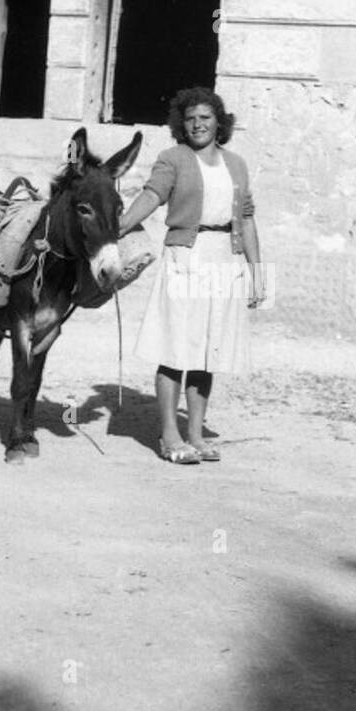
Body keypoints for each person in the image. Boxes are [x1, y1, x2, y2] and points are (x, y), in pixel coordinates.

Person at [119, 87, 265, 463]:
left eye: (205, 117)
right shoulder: (173, 159)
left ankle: (196, 435)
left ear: (220, 122)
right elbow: (151, 197)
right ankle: (169, 437)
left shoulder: (236, 165)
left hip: (225, 259)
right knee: (175, 348)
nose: (198, 124)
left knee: (207, 351)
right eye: (190, 119)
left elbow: (245, 220)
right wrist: (117, 228)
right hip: (187, 255)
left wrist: (257, 273)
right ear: (181, 125)